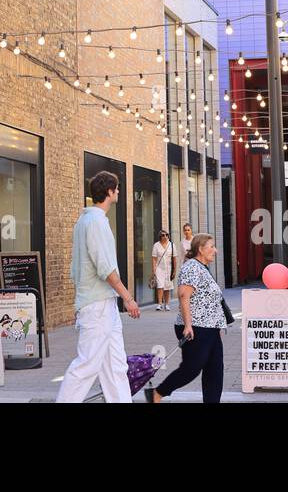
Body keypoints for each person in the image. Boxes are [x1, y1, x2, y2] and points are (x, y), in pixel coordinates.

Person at [56, 171, 140, 403]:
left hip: (101, 303)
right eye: (117, 189)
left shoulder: (85, 221)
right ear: (109, 192)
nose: (119, 192)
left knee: (116, 366)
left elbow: (77, 268)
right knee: (86, 365)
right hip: (97, 305)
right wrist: (128, 297)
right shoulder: (95, 223)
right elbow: (105, 267)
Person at [151, 233, 228, 404]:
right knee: (191, 369)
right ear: (201, 249)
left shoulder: (202, 268)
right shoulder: (192, 267)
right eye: (211, 247)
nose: (215, 251)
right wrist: (188, 325)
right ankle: (158, 393)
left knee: (215, 370)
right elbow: (183, 295)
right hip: (195, 327)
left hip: (210, 329)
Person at [151, 230, 175, 311]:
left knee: (167, 287)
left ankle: (167, 304)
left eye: (166, 235)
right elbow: (154, 258)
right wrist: (154, 269)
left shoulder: (171, 245)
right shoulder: (156, 245)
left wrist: (174, 270)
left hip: (169, 268)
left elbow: (174, 258)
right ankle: (159, 303)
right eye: (163, 235)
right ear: (160, 237)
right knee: (160, 285)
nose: (165, 236)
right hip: (159, 268)